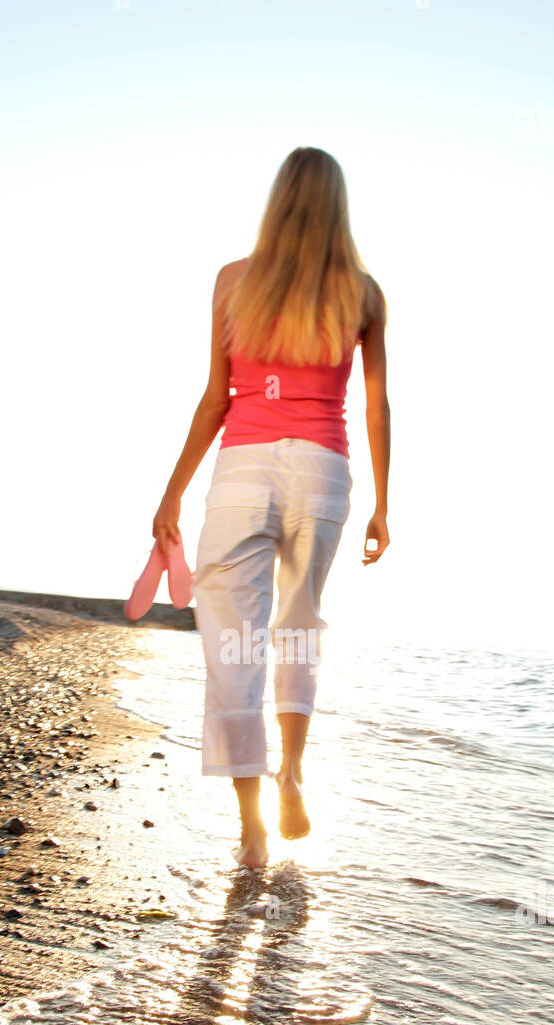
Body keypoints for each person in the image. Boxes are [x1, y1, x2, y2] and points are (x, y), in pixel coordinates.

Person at [152, 146, 390, 867]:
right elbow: (376, 403)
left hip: (242, 471)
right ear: (337, 206)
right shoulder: (364, 292)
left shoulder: (233, 281)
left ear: (277, 197)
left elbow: (215, 398)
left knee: (232, 644)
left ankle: (251, 824)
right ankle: (292, 770)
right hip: (324, 471)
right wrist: (383, 504)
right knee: (297, 626)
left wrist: (171, 492)